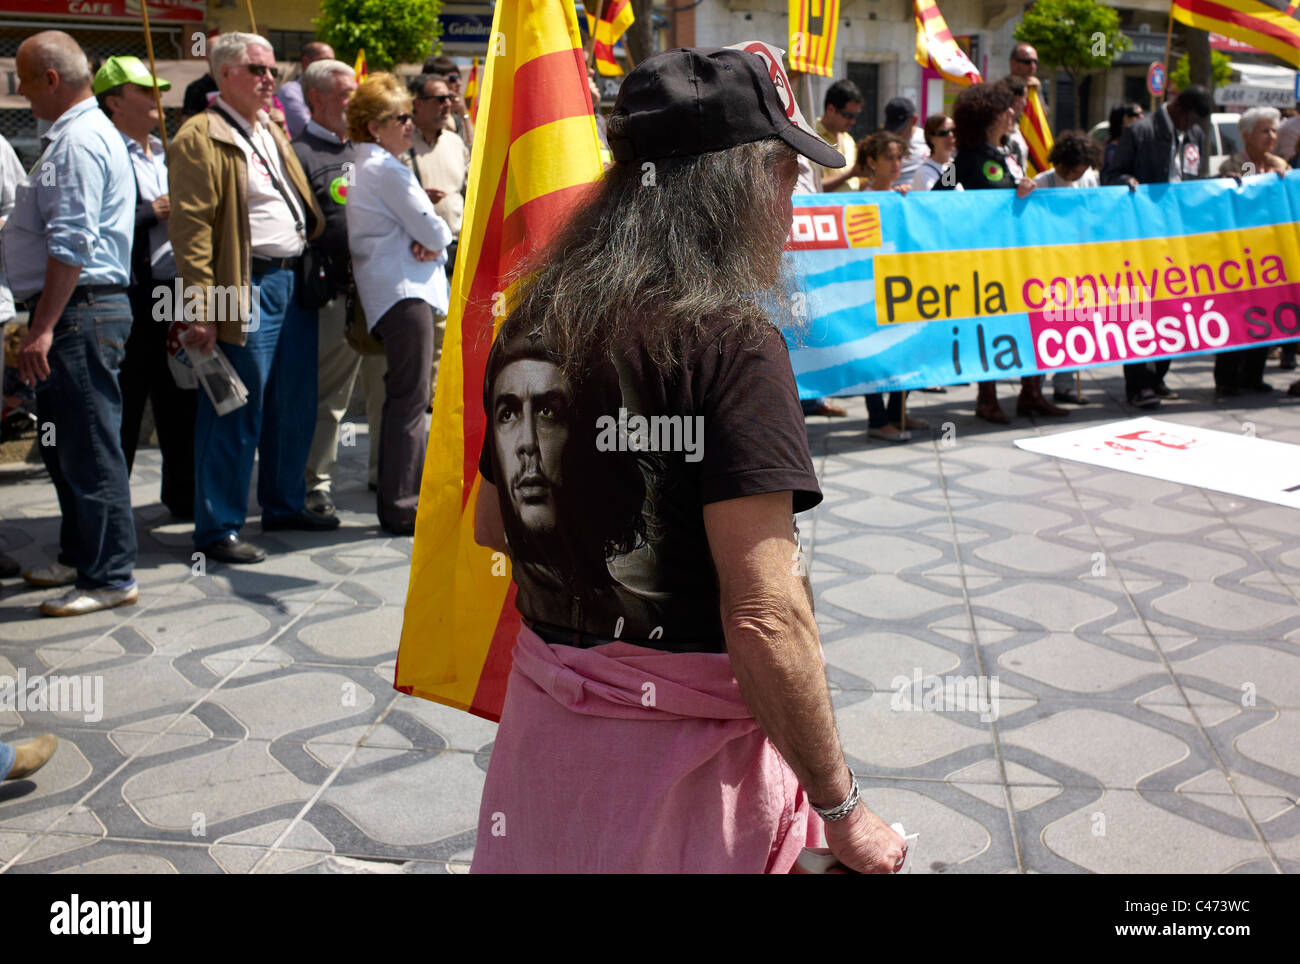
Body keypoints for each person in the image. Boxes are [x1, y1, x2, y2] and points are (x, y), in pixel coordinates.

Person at [469, 45, 907, 875]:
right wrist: (843, 808)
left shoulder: (531, 323)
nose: (792, 202)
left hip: (548, 760)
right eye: (786, 172)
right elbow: (764, 619)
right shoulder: (732, 344)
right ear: (737, 182)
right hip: (686, 780)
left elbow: (497, 527)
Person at [168, 32, 332, 566]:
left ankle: (283, 504)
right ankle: (217, 526)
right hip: (243, 284)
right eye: (258, 69)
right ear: (225, 74)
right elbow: (190, 234)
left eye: (272, 70)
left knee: (293, 401)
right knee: (234, 407)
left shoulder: (266, 127)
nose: (270, 79)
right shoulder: (200, 136)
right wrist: (201, 311)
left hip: (287, 280)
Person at [6, 31, 139, 617]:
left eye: (23, 79)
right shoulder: (77, 134)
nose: (18, 91)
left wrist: (42, 327)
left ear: (50, 80)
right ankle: (81, 550)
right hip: (77, 308)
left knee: (88, 445)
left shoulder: (79, 141)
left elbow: (71, 242)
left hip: (79, 309)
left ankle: (110, 574)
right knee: (64, 444)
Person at [345, 73, 452, 535]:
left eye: (410, 115)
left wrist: (429, 234)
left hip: (393, 293)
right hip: (405, 294)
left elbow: (424, 229)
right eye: (400, 117)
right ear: (374, 126)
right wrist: (437, 237)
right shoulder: (387, 168)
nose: (409, 124)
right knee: (411, 401)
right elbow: (433, 230)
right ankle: (402, 504)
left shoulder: (367, 163)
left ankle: (398, 500)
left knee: (403, 399)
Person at [94, 56, 197, 521]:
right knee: (127, 404)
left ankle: (183, 494)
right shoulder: (101, 149)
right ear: (114, 102)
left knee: (180, 396)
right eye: (143, 90)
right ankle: (113, 509)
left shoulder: (167, 148)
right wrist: (147, 213)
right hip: (129, 295)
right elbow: (86, 225)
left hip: (172, 292)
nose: (157, 97)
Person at [294, 59, 385, 519]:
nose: (355, 99)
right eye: (346, 92)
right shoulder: (299, 153)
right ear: (317, 98)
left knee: (385, 387)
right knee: (331, 398)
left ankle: (385, 473)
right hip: (335, 295)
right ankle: (316, 484)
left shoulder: (370, 148)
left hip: (382, 291)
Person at [951, 82, 1063, 424]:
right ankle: (987, 398)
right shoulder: (969, 159)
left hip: (1020, 256)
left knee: (1030, 318)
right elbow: (938, 194)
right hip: (990, 260)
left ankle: (1031, 392)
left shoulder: (1009, 154)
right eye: (1006, 110)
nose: (1013, 113)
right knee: (995, 323)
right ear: (988, 118)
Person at [1103, 86, 1212, 409]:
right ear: (1177, 107)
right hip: (1143, 237)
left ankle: (1159, 376)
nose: (1190, 127)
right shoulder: (1140, 131)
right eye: (1189, 118)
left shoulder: (1194, 135)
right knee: (1144, 310)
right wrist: (1126, 181)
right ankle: (1138, 385)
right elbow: (1111, 174)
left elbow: (1195, 179)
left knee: (1173, 309)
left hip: (1178, 237)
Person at [858, 131, 920, 443]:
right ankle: (877, 418)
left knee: (903, 348)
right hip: (870, 288)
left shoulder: (899, 196)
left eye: (900, 157)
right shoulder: (858, 201)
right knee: (874, 351)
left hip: (898, 285)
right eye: (890, 158)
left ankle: (897, 413)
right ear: (872, 161)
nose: (897, 164)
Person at [1032, 132, 1101, 405]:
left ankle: (1065, 384)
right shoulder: (1042, 182)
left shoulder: (1089, 180)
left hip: (1076, 263)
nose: (1075, 173)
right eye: (1071, 168)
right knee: (1043, 326)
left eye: (1080, 168)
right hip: (1047, 265)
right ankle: (1035, 386)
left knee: (1073, 325)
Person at [276, 41, 334, 139]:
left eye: (333, 62)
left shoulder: (332, 91)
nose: (331, 66)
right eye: (326, 61)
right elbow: (308, 128)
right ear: (306, 62)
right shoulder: (290, 92)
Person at [816, 79, 863, 192]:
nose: (853, 121)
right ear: (830, 109)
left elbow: (856, 184)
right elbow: (812, 186)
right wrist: (850, 174)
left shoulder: (848, 139)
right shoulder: (810, 137)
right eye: (848, 115)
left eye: (856, 115)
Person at [1218, 106, 1288, 177]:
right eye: (1265, 131)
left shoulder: (1281, 164)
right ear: (1246, 136)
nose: (1272, 136)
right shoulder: (1231, 166)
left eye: (1274, 131)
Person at [422, 54, 474, 147]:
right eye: (452, 79)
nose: (459, 83)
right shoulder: (424, 116)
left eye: (459, 78)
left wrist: (464, 113)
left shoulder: (457, 116)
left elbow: (473, 145)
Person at [883, 96, 928, 189]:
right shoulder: (883, 142)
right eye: (891, 128)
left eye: (900, 129)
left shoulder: (929, 140)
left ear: (914, 120)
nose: (895, 134)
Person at [912, 114, 960, 191]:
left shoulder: (958, 166)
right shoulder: (924, 173)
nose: (951, 135)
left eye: (954, 131)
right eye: (943, 133)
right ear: (931, 138)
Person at [181, 28, 222, 119]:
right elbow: (188, 122)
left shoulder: (236, 84)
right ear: (205, 55)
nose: (219, 56)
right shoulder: (196, 88)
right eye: (215, 51)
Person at [1104, 102, 1143, 174]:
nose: (1142, 117)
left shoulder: (1140, 146)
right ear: (1123, 119)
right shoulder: (1111, 151)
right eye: (1135, 115)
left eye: (1142, 113)